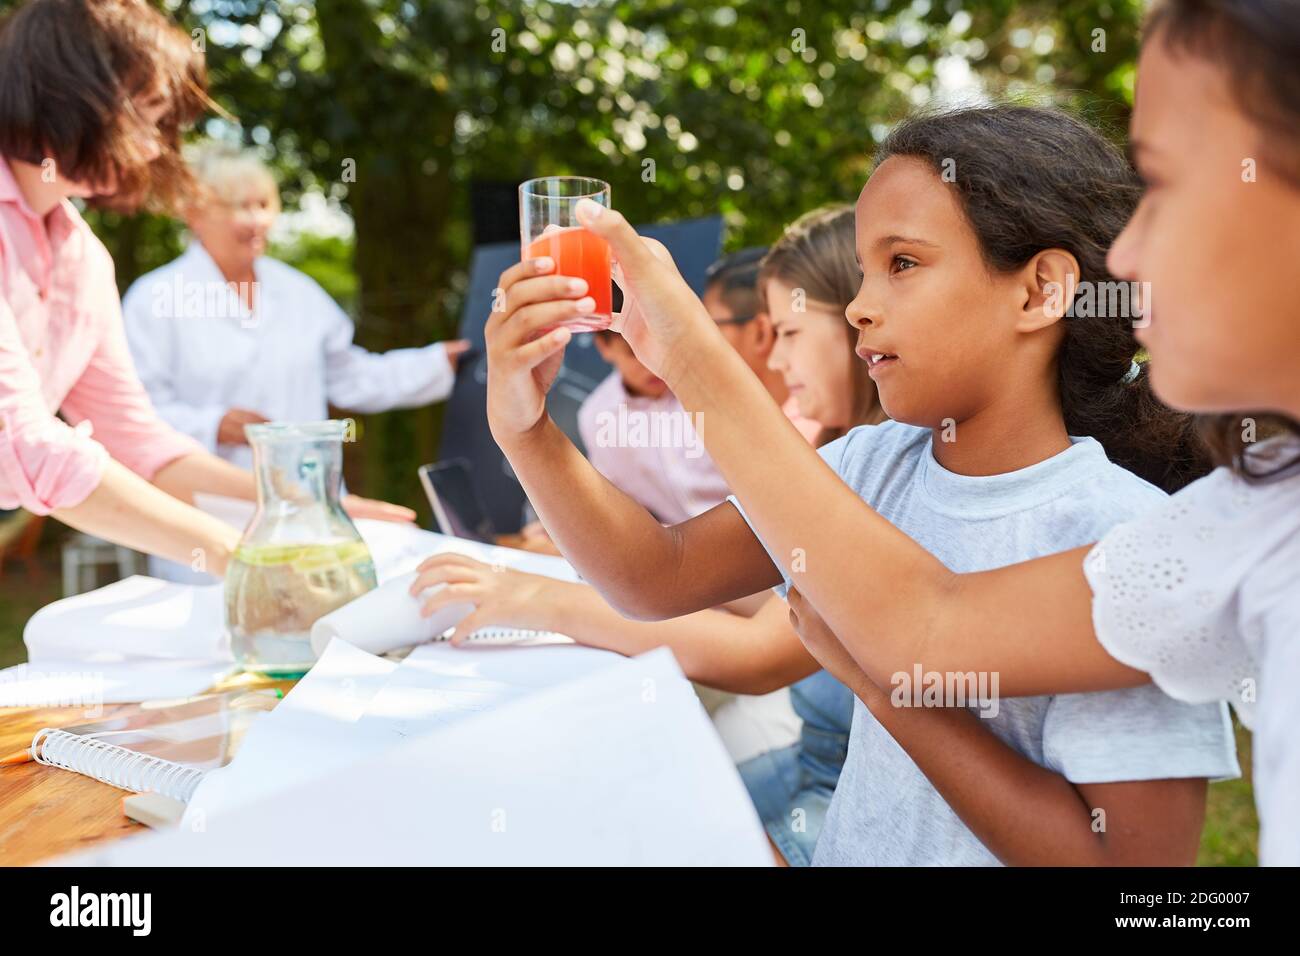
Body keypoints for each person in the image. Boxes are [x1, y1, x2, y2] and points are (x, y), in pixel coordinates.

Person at [477, 102, 1243, 865]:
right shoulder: (875, 465)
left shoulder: (1126, 542)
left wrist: (881, 687)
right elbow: (655, 572)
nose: (859, 307)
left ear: (1041, 288)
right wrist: (525, 429)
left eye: (902, 264)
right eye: (867, 269)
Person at [414, 209, 883, 864]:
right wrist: (522, 431)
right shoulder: (848, 458)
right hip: (821, 765)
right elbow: (669, 568)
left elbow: (756, 648)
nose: (773, 357)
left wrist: (537, 598)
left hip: (839, 792)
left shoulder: (872, 464)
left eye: (790, 332)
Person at [0, 0, 408, 581]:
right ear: (69, 97)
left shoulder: (82, 259)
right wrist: (240, 552)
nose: (152, 148)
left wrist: (303, 507)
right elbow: (25, 443)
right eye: (144, 115)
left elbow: (138, 443)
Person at [123, 144, 469, 472]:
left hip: (306, 491)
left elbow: (352, 377)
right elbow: (131, 412)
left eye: (263, 205)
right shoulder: (154, 299)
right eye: (239, 207)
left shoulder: (299, 292)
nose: (257, 220)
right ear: (194, 213)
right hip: (209, 504)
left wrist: (442, 363)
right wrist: (211, 425)